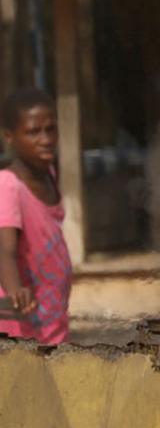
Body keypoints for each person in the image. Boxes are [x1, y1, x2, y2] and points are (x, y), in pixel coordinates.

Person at [0, 88, 71, 345]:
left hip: (53, 322)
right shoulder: (8, 185)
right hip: (21, 330)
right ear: (10, 137)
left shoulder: (50, 174)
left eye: (51, 129)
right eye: (33, 132)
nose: (45, 139)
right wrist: (15, 289)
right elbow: (5, 250)